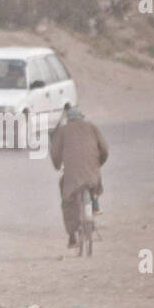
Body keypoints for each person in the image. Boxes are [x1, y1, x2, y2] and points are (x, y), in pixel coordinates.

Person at [50, 106, 108, 248]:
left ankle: (72, 238)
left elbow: (55, 154)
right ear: (81, 117)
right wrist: (98, 163)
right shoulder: (92, 127)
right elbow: (104, 149)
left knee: (67, 200)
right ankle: (94, 202)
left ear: (68, 119)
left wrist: (58, 166)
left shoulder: (62, 131)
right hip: (92, 173)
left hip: (72, 177)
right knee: (95, 183)